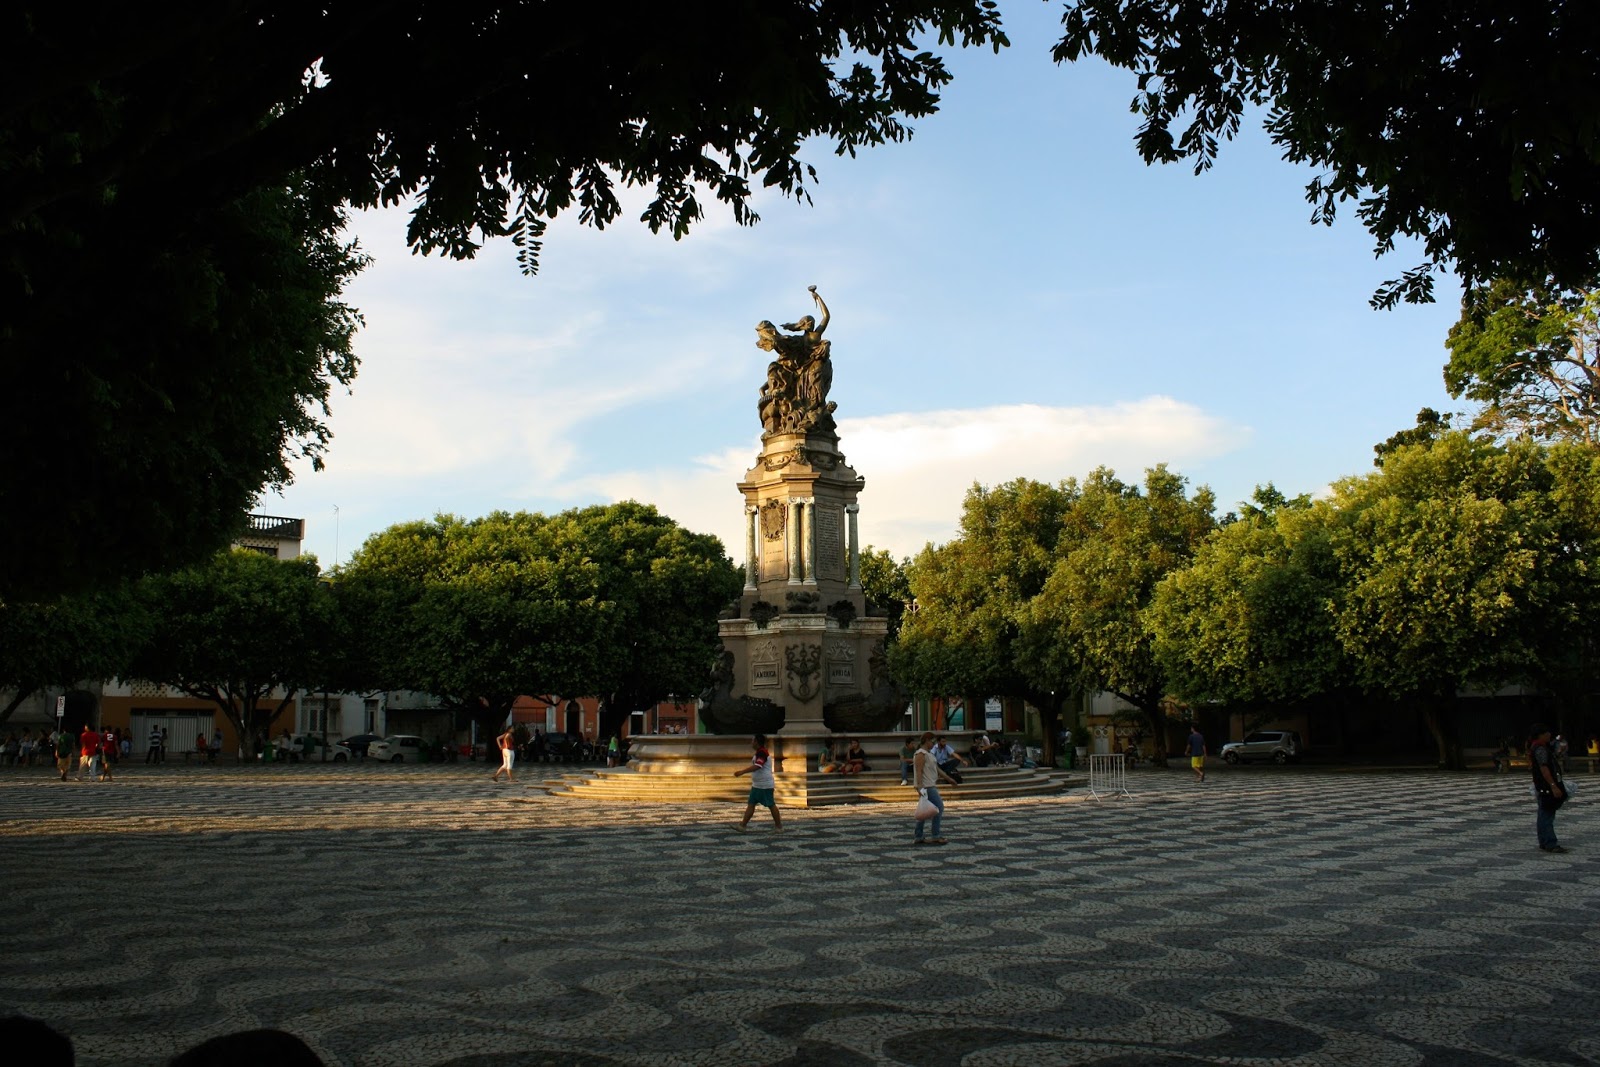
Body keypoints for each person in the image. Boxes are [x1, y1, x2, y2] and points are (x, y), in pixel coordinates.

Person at [912, 731, 958, 846]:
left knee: (923, 810)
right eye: (932, 742)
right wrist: (920, 786)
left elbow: (937, 769)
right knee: (939, 807)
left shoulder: (928, 754)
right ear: (927, 741)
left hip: (929, 784)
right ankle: (935, 835)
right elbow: (918, 771)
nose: (933, 744)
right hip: (926, 786)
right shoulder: (920, 754)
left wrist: (949, 779)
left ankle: (919, 836)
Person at [1529, 723, 1568, 853]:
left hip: (1542, 785)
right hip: (1546, 786)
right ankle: (1550, 842)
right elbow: (1544, 768)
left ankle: (1544, 841)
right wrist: (1553, 785)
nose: (1549, 735)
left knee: (1543, 813)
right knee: (1547, 814)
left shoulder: (1539, 747)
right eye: (1547, 733)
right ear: (1541, 735)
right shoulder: (1540, 749)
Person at [733, 733, 782, 832]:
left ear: (756, 742)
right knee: (751, 804)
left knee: (771, 805)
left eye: (753, 741)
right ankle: (742, 825)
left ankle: (779, 827)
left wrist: (742, 772)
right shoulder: (760, 752)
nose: (751, 743)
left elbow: (758, 766)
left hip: (764, 785)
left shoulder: (762, 753)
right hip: (757, 785)